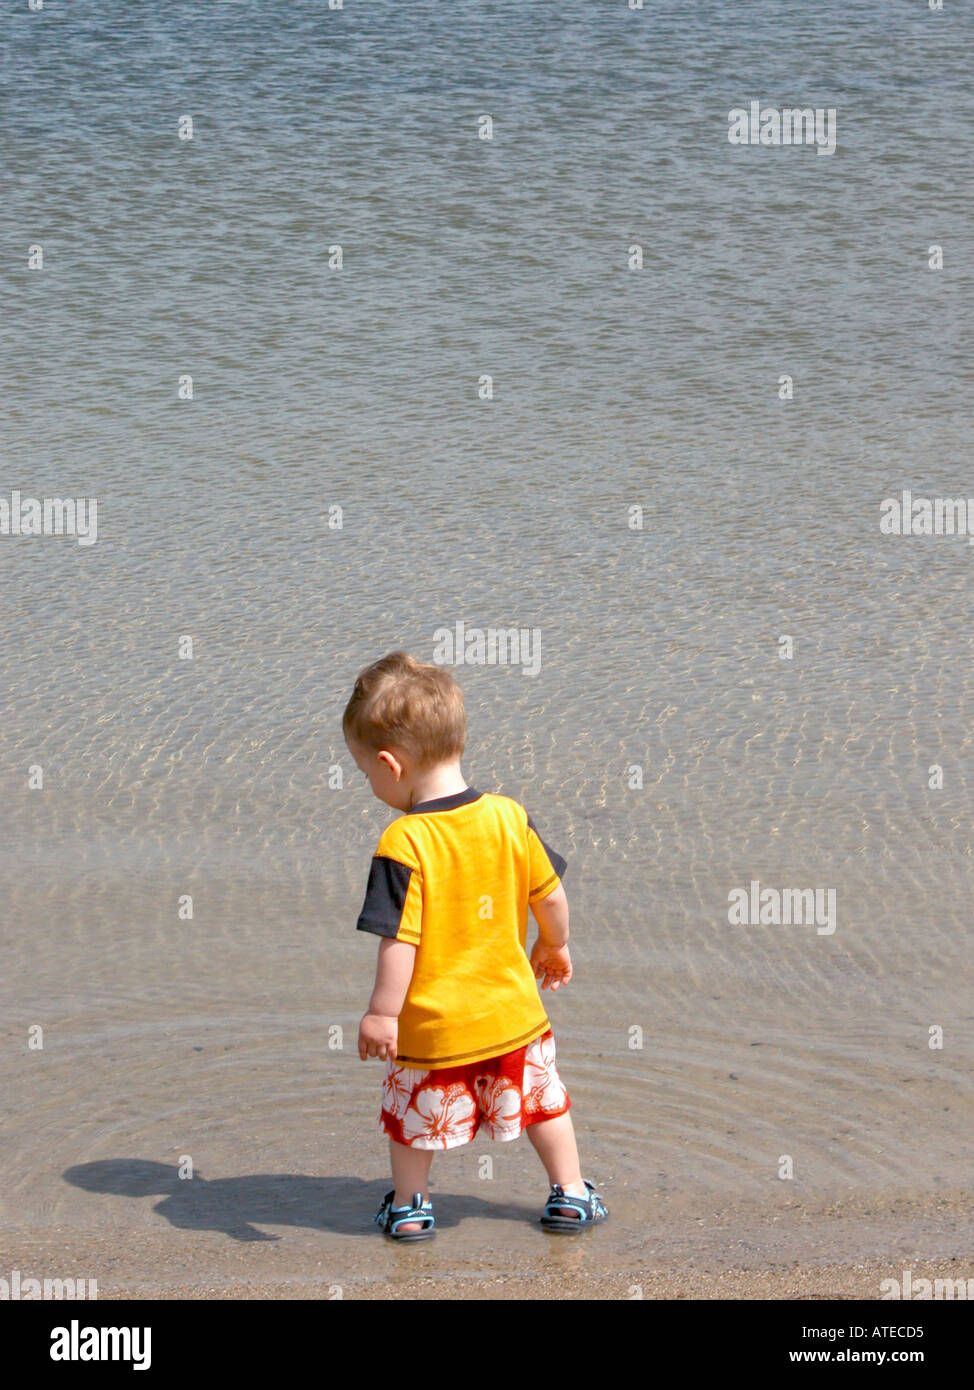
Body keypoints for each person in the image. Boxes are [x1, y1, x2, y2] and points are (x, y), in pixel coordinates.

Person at [342, 650, 607, 1240]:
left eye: (365, 774)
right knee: (545, 1104)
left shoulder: (404, 841)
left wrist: (382, 1013)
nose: (369, 785)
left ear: (390, 765)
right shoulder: (510, 818)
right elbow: (553, 895)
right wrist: (554, 945)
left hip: (435, 1029)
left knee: (411, 1122)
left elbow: (398, 939)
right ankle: (568, 1194)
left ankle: (411, 1207)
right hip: (513, 1016)